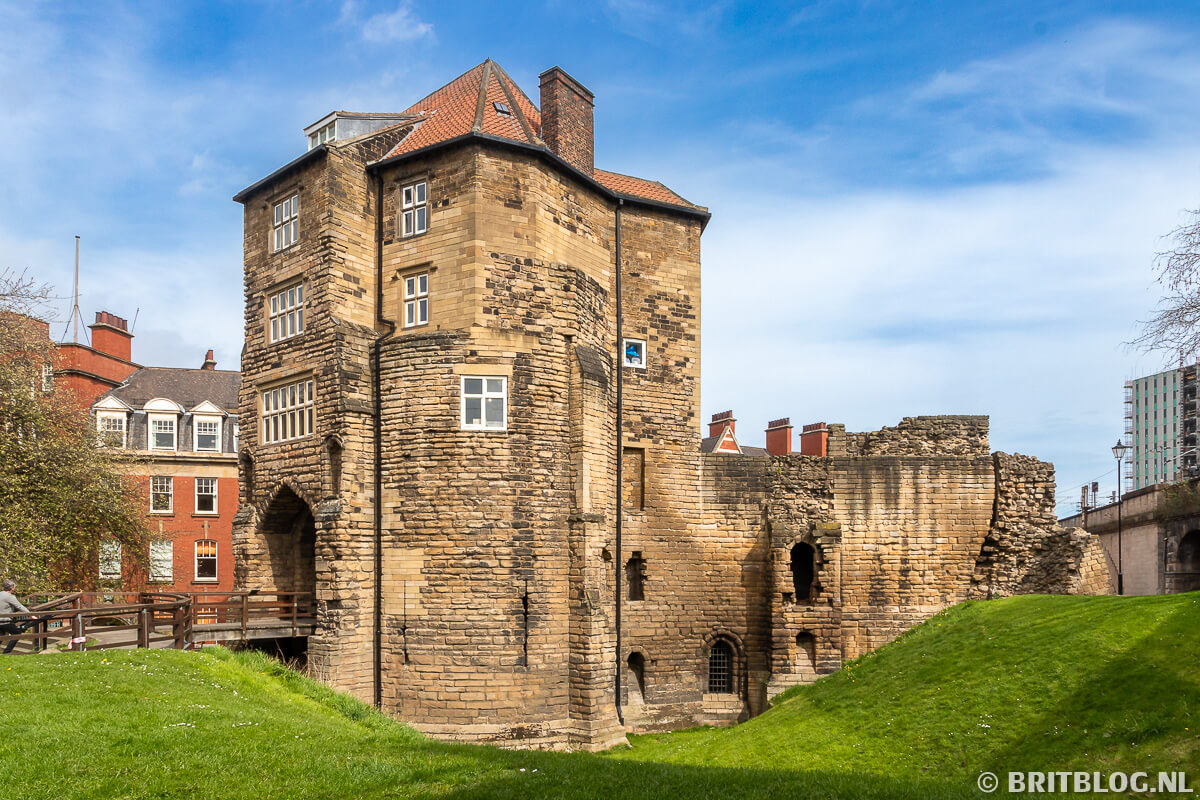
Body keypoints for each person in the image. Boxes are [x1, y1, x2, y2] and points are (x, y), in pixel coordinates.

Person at [0, 579, 31, 655]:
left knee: (1, 635)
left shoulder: (0, 594)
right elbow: (19, 606)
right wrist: (31, 614)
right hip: (5, 621)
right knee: (17, 634)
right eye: (14, 586)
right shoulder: (9, 596)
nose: (15, 588)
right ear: (11, 588)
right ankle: (6, 652)